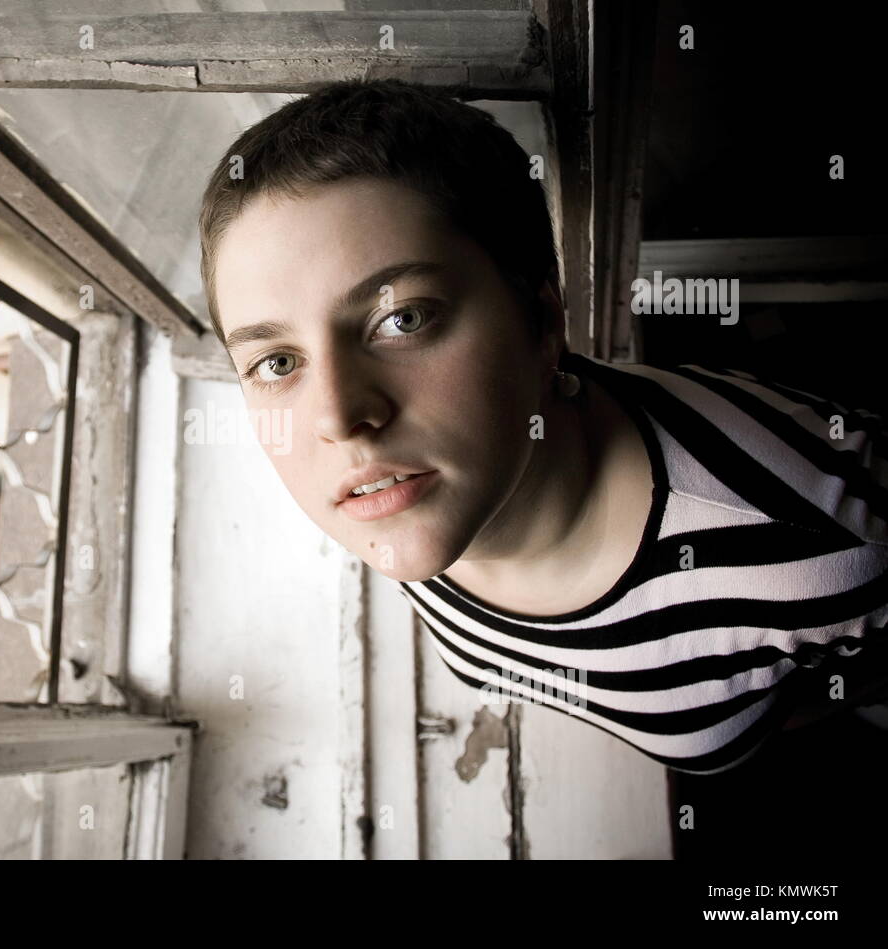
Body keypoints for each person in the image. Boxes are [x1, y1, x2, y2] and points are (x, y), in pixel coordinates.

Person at [197, 78, 888, 783]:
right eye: (277, 362)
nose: (337, 418)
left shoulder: (831, 542)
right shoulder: (396, 501)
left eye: (403, 318)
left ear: (543, 320)